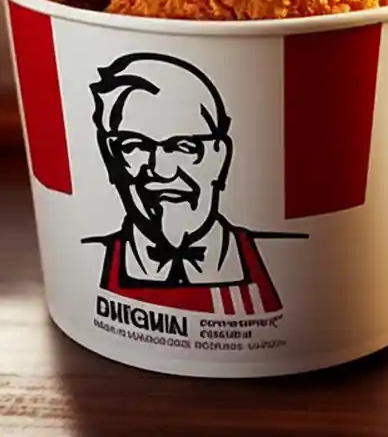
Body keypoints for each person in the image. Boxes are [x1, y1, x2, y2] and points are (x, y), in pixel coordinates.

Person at [84, 53, 292, 315]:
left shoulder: (290, 259)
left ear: (220, 157)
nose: (162, 171)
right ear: (110, 158)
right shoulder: (81, 260)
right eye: (135, 146)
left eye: (184, 146)